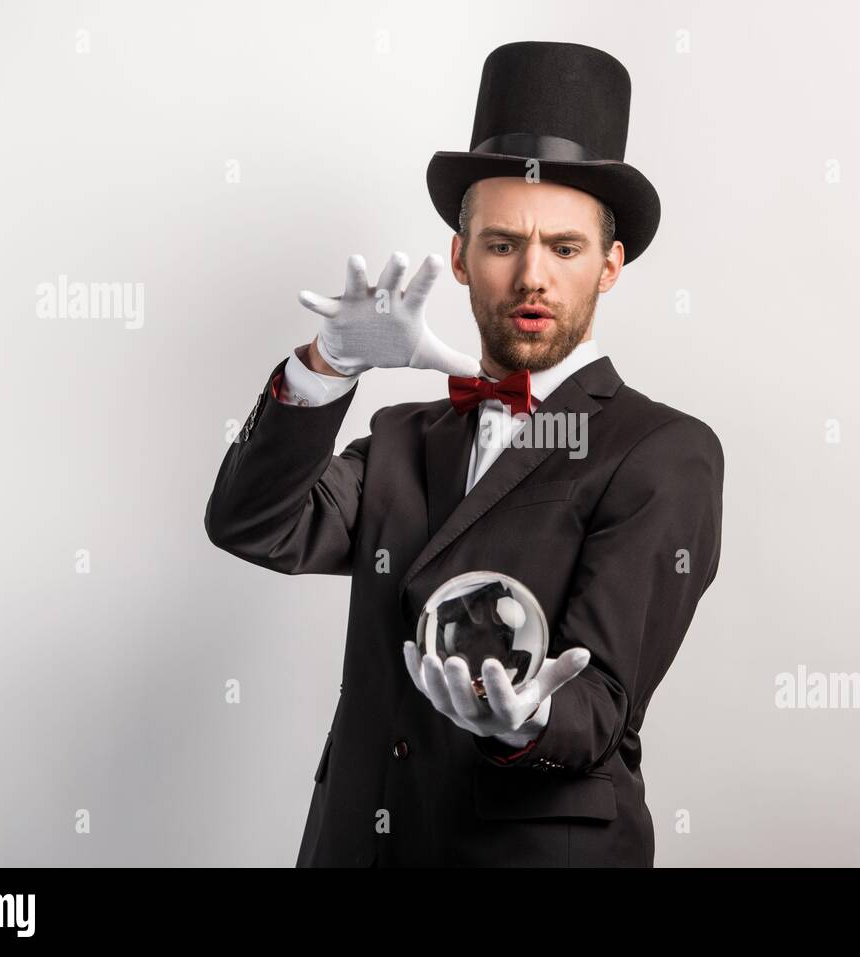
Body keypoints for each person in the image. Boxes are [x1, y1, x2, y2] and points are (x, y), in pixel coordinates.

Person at [205, 40, 724, 867]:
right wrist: (327, 365)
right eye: (501, 243)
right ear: (458, 256)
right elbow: (252, 524)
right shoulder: (405, 436)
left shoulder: (662, 450)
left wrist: (524, 722)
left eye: (565, 247)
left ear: (611, 265)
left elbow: (602, 700)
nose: (532, 277)